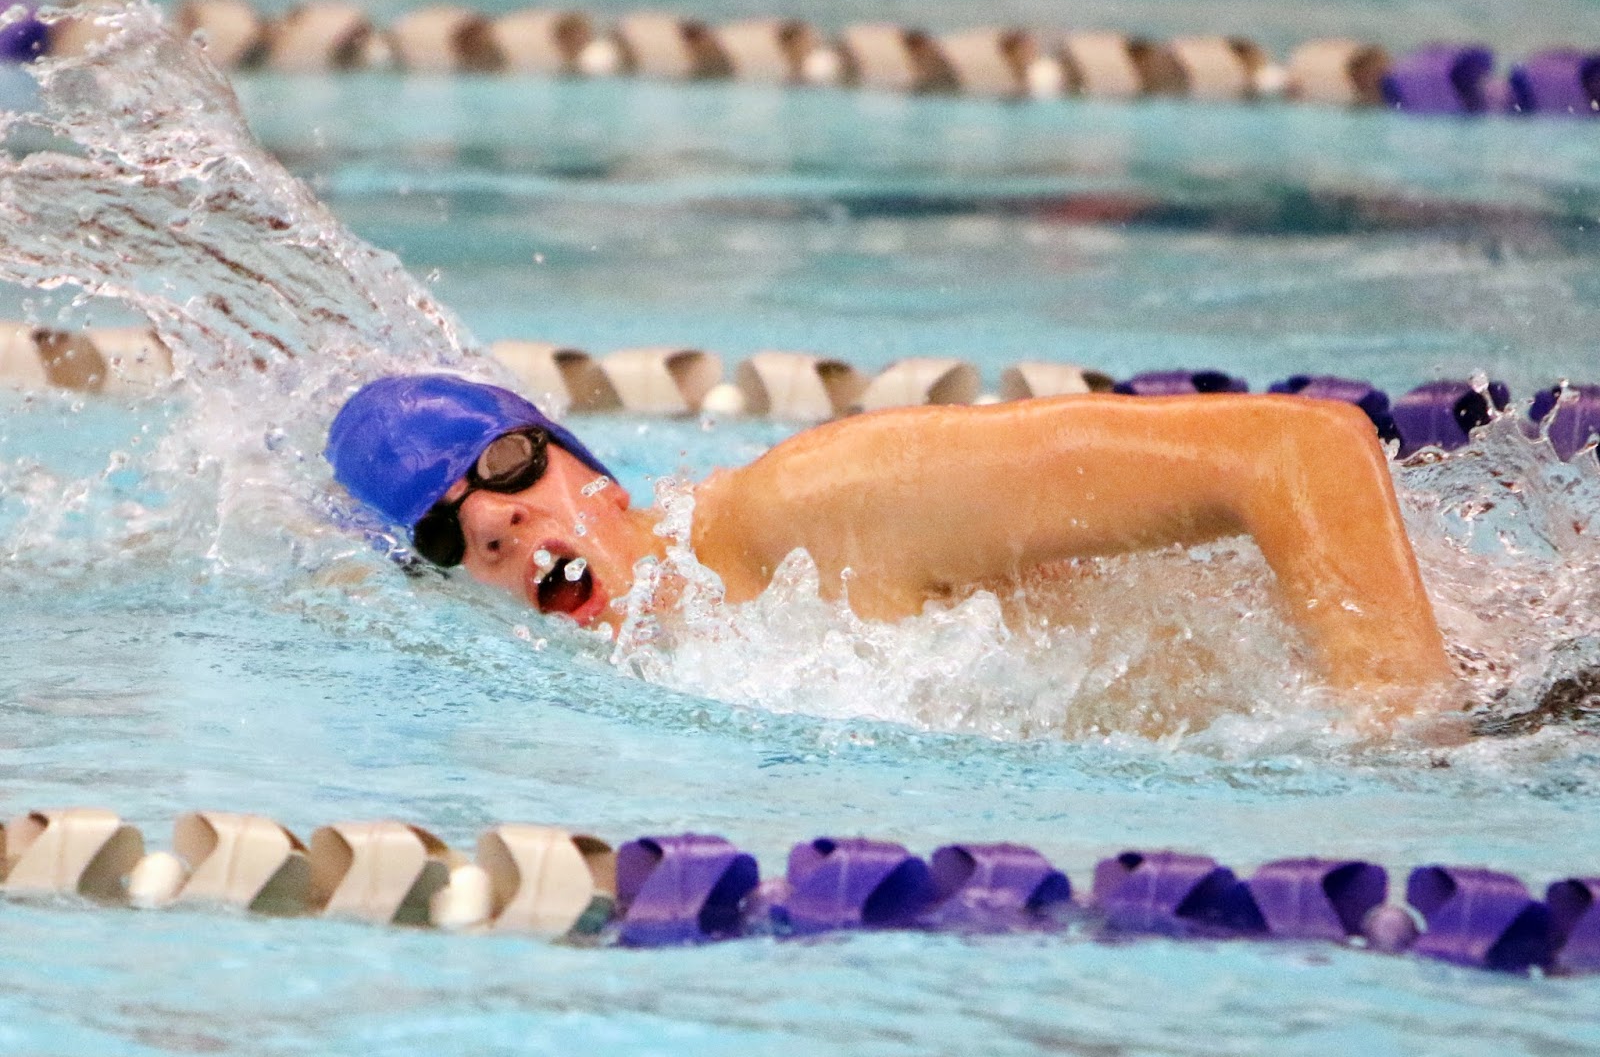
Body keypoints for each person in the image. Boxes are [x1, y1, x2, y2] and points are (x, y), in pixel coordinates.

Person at [326, 373, 1457, 720]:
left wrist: (1408, 736)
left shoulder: (815, 507)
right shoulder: (700, 654)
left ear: (591, 471)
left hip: (1518, 705)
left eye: (513, 468)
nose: (493, 519)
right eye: (446, 529)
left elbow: (1295, 446)